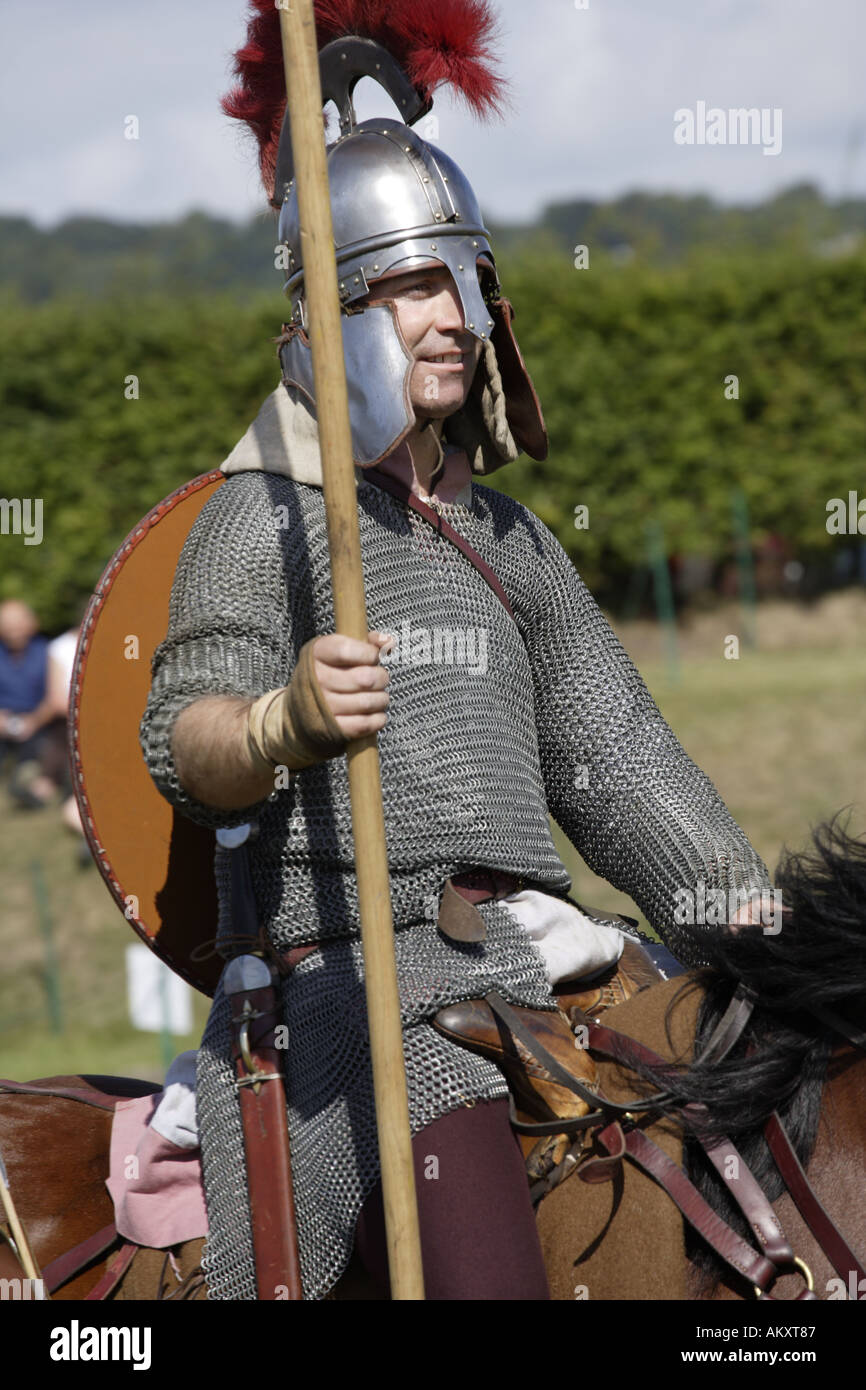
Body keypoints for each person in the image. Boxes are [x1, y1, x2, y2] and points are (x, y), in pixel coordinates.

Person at [139, 5, 773, 1301]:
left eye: (460, 278)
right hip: (357, 990)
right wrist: (279, 724)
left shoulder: (511, 541)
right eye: (411, 284)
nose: (452, 316)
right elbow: (179, 740)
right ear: (328, 307)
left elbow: (622, 767)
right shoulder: (259, 513)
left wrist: (762, 936)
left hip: (543, 967)